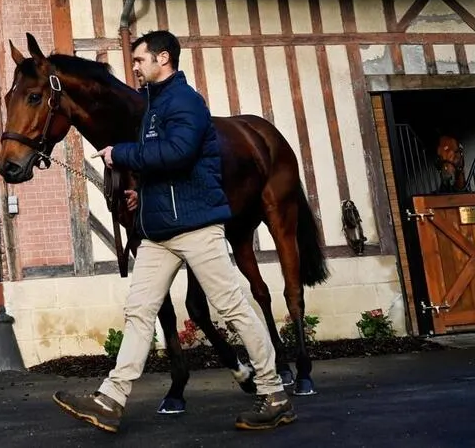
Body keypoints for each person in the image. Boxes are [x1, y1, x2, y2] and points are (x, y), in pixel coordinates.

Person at [52, 29, 295, 433]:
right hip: (159, 231)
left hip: (197, 227)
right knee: (139, 312)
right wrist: (141, 198)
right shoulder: (154, 105)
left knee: (233, 308)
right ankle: (110, 400)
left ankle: (274, 394)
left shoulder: (185, 102)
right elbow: (162, 170)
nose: (135, 67)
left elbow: (179, 154)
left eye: (140, 60)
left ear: (163, 59)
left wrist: (120, 153)